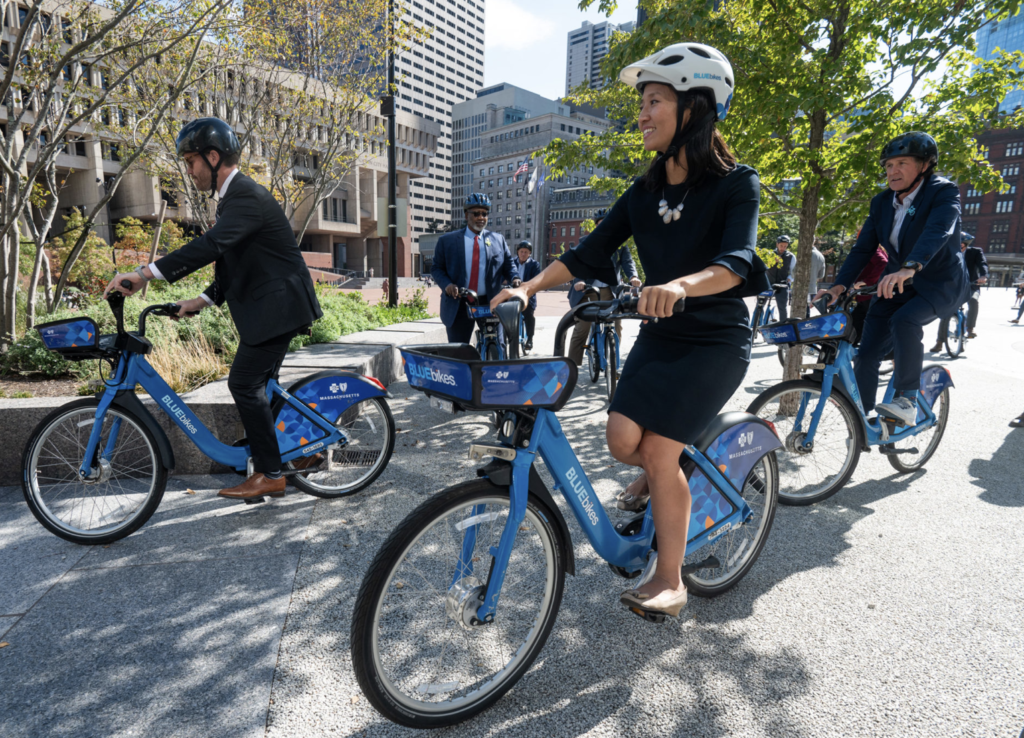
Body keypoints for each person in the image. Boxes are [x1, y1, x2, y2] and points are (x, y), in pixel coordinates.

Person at [491, 43, 769, 620]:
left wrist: (681, 286)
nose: (641, 114)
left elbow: (737, 263)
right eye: (642, 103)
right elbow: (588, 252)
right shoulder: (645, 191)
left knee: (660, 451)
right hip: (663, 333)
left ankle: (669, 579)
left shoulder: (736, 183)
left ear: (695, 106)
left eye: (654, 101)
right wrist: (528, 288)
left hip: (715, 339)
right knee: (622, 442)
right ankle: (664, 475)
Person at [104, 117, 323, 500]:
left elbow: (210, 247)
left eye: (191, 162)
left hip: (279, 310)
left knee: (244, 384)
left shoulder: (246, 196)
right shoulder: (233, 200)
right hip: (275, 308)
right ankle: (302, 451)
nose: (189, 171)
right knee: (262, 387)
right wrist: (200, 301)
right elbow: (233, 263)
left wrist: (144, 273)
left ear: (213, 156)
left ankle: (271, 474)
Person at [816, 131, 968, 427]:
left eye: (902, 163)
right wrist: (838, 286)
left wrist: (910, 266)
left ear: (924, 165)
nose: (892, 171)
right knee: (867, 350)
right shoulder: (881, 202)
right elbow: (863, 249)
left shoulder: (943, 191)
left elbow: (938, 230)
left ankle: (907, 399)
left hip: (939, 284)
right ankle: (860, 418)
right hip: (897, 284)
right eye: (888, 165)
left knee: (904, 321)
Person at [430, 193, 519, 343]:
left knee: (498, 345)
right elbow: (436, 268)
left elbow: (509, 265)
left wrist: (515, 277)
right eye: (476, 213)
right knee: (459, 350)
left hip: (490, 302)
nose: (481, 217)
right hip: (459, 303)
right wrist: (447, 285)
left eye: (484, 214)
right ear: (466, 215)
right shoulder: (447, 241)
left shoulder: (498, 240)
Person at [566, 209, 642, 366]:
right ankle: (571, 368)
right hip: (587, 290)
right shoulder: (586, 242)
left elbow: (627, 262)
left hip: (610, 291)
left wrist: (633, 277)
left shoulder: (620, 245)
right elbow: (578, 263)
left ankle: (612, 360)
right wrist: (579, 280)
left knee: (617, 325)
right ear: (596, 227)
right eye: (600, 224)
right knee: (582, 328)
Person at [929, 232, 988, 349]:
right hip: (953, 286)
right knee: (946, 312)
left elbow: (982, 264)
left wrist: (983, 276)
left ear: (966, 244)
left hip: (971, 285)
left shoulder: (975, 252)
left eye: (962, 245)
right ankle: (940, 342)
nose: (959, 247)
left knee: (973, 300)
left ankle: (970, 328)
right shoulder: (949, 253)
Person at [514, 241, 542, 351]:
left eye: (526, 252)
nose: (523, 254)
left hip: (528, 295)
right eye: (521, 251)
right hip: (512, 294)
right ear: (517, 252)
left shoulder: (534, 265)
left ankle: (529, 339)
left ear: (530, 253)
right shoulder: (511, 263)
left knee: (529, 315)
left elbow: (536, 279)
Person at [766, 235, 796, 320]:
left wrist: (790, 278)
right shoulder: (770, 254)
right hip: (768, 283)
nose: (783, 248)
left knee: (782, 308)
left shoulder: (791, 256)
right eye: (781, 245)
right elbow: (764, 268)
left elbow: (793, 271)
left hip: (782, 284)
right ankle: (756, 323)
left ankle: (783, 325)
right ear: (777, 244)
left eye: (785, 246)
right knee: (760, 304)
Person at [808, 242, 826, 308]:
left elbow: (793, 272)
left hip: (801, 287)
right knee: (807, 309)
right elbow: (821, 275)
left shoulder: (803, 253)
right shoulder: (820, 256)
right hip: (812, 288)